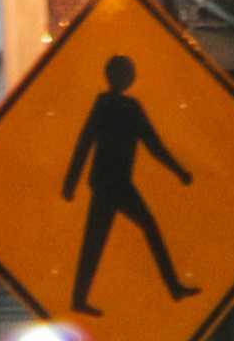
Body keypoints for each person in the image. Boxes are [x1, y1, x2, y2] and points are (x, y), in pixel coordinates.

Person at [63, 55, 194, 306]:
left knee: (100, 238)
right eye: (126, 73)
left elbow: (154, 146)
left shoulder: (132, 108)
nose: (128, 77)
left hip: (116, 183)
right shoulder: (107, 105)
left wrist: (179, 171)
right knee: (99, 239)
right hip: (107, 184)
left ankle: (174, 288)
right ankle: (173, 288)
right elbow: (85, 141)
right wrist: (69, 184)